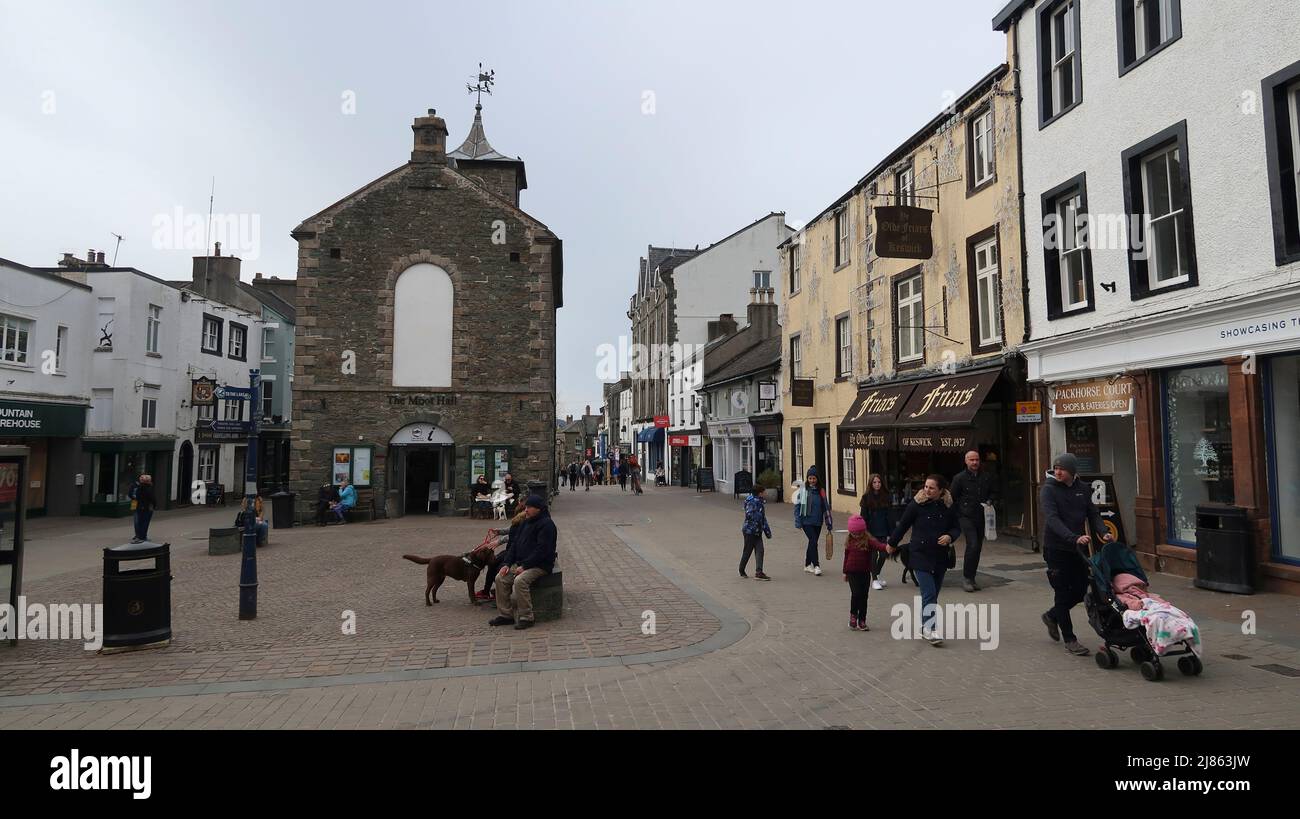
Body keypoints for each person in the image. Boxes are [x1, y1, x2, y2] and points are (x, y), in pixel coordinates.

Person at [1040, 452, 1114, 657]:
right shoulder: (1048, 490)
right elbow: (1052, 519)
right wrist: (1073, 537)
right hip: (1056, 549)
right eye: (1056, 468)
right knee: (1062, 593)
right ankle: (1070, 639)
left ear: (1072, 471)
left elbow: (1093, 513)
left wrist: (1103, 532)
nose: (1058, 472)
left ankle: (1052, 615)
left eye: (1062, 469)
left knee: (1082, 589)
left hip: (1077, 549)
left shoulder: (1082, 489)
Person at [887, 474, 961, 646]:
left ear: (941, 490)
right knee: (928, 593)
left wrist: (950, 536)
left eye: (931, 488)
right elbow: (903, 525)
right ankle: (930, 628)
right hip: (920, 554)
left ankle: (924, 626)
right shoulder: (916, 505)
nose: (927, 490)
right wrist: (892, 543)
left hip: (940, 556)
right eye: (925, 486)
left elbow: (956, 527)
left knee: (934, 594)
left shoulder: (948, 506)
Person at [488, 494, 558, 630]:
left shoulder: (547, 525)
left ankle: (527, 617)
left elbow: (542, 551)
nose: (525, 510)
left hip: (540, 565)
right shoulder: (525, 522)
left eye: (529, 507)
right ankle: (506, 615)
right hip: (521, 562)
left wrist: (525, 566)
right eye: (526, 507)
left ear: (538, 509)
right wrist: (507, 564)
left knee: (520, 581)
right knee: (500, 578)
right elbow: (514, 544)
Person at [951, 450, 998, 593]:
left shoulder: (986, 477)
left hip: (982, 515)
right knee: (972, 544)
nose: (974, 462)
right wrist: (958, 514)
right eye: (971, 460)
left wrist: (990, 501)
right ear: (966, 461)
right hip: (965, 517)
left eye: (976, 459)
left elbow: (994, 492)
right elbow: (952, 497)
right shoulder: (959, 478)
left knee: (977, 547)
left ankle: (971, 577)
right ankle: (966, 578)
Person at [843, 514, 891, 631]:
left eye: (859, 533)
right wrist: (845, 572)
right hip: (852, 573)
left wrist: (888, 547)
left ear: (863, 532)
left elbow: (879, 546)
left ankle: (862, 620)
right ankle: (853, 616)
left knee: (864, 596)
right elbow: (846, 557)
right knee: (856, 594)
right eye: (854, 533)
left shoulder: (869, 541)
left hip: (864, 573)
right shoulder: (849, 541)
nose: (856, 536)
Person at [794, 466, 833, 575]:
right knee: (813, 541)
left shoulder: (821, 491)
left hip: (818, 521)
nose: (812, 480)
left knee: (812, 542)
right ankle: (816, 565)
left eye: (814, 478)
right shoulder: (803, 490)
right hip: (806, 521)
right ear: (807, 479)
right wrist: (798, 521)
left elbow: (826, 507)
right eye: (810, 478)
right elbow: (797, 507)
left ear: (817, 479)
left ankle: (807, 564)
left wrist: (829, 522)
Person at [860, 474, 892, 590]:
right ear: (871, 484)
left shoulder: (887, 496)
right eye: (874, 482)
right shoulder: (866, 497)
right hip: (871, 530)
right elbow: (863, 516)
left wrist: (891, 532)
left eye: (879, 482)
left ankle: (876, 574)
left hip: (883, 529)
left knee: (884, 554)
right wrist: (864, 531)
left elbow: (890, 516)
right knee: (873, 555)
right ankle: (874, 580)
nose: (877, 484)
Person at [739, 482, 773, 580]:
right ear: (760, 493)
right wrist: (763, 528)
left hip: (756, 530)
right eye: (763, 492)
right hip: (750, 531)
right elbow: (753, 515)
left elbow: (762, 518)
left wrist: (767, 531)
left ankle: (759, 572)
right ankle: (741, 569)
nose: (765, 494)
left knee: (760, 550)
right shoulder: (753, 502)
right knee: (748, 550)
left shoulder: (758, 502)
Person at [130, 474, 156, 543]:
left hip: (139, 505)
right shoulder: (137, 486)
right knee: (139, 521)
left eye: (143, 477)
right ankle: (140, 536)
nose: (141, 478)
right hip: (137, 504)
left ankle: (140, 536)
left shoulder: (140, 487)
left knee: (140, 521)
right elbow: (152, 498)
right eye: (141, 477)